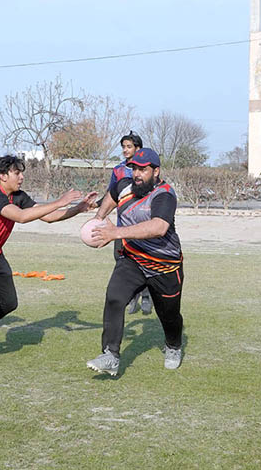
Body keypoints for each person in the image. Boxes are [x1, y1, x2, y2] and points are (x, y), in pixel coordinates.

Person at [0, 155, 95, 365]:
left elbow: (47, 217)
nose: (21, 177)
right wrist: (60, 200)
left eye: (22, 173)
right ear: (3, 176)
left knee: (10, 303)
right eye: (16, 173)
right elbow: (21, 217)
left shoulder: (19, 196)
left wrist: (78, 208)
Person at [86, 148, 184, 376]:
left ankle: (173, 346)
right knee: (114, 298)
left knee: (169, 315)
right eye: (134, 169)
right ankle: (110, 355)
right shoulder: (124, 186)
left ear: (156, 171)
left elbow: (159, 227)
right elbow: (112, 195)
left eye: (143, 169)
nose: (138, 174)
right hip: (132, 259)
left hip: (164, 266)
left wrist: (116, 232)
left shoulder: (164, 194)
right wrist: (98, 218)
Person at [93, 131, 153, 315]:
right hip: (120, 226)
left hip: (141, 224)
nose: (125, 150)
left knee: (144, 261)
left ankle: (146, 296)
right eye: (123, 147)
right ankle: (131, 295)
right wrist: (96, 205)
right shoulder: (118, 170)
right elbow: (112, 194)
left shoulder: (148, 169)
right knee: (122, 261)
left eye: (129, 146)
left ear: (138, 148)